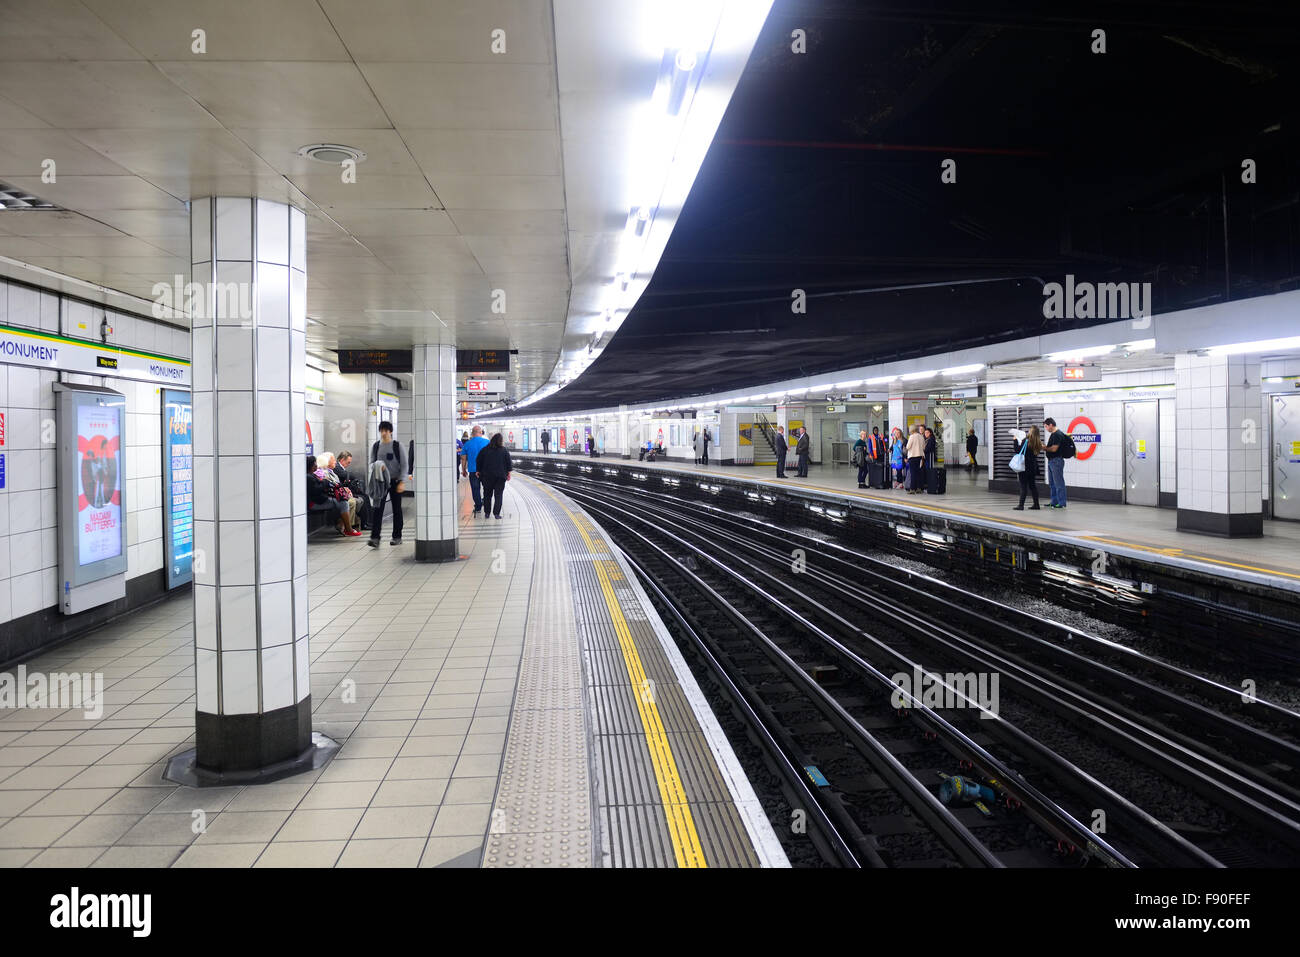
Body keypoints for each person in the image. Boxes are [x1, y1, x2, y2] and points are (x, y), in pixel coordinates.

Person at [368, 420, 407, 546]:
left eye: (386, 431)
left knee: (397, 509)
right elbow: (372, 463)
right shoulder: (376, 446)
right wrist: (378, 466)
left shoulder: (397, 445)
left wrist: (402, 481)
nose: (384, 433)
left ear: (390, 431)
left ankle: (397, 536)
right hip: (381, 482)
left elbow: (404, 465)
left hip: (395, 481)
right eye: (382, 431)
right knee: (377, 509)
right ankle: (375, 538)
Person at [308, 455, 359, 536]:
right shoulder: (310, 477)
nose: (316, 465)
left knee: (346, 501)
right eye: (314, 464)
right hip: (315, 502)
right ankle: (347, 528)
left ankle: (345, 525)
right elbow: (316, 490)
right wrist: (325, 483)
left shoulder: (313, 475)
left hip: (321, 499)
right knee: (344, 503)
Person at [475, 432, 513, 519]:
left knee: (487, 495)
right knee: (498, 495)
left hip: (487, 477)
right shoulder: (504, 450)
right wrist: (508, 473)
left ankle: (487, 513)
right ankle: (496, 514)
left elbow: (478, 460)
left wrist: (478, 470)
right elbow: (508, 463)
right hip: (500, 477)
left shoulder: (484, 450)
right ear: (500, 441)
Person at [461, 424, 490, 516]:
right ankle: (486, 504)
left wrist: (463, 470)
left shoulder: (467, 444)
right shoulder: (487, 442)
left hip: (473, 470)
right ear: (481, 432)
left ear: (472, 433)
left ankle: (478, 507)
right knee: (487, 488)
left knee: (475, 489)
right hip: (486, 470)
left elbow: (463, 458)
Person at [1043, 418, 1072, 508]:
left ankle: (1061, 503)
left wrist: (1044, 448)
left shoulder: (1057, 435)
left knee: (1059, 483)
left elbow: (1054, 448)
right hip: (1052, 461)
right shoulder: (1053, 434)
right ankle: (1054, 501)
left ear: (1051, 425)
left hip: (1056, 461)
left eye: (1046, 426)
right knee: (1052, 483)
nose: (1046, 428)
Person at [1013, 426, 1044, 510]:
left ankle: (1021, 505)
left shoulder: (1026, 441)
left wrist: (1015, 440)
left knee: (1023, 486)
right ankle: (1036, 504)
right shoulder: (1038, 442)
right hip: (1033, 467)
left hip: (1024, 466)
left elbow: (1017, 450)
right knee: (1032, 486)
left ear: (1031, 432)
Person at [905, 424, 925, 493]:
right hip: (919, 456)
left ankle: (912, 489)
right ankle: (919, 488)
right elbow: (923, 447)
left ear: (911, 430)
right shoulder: (921, 436)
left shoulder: (912, 436)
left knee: (913, 473)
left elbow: (908, 446)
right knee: (918, 472)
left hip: (912, 456)